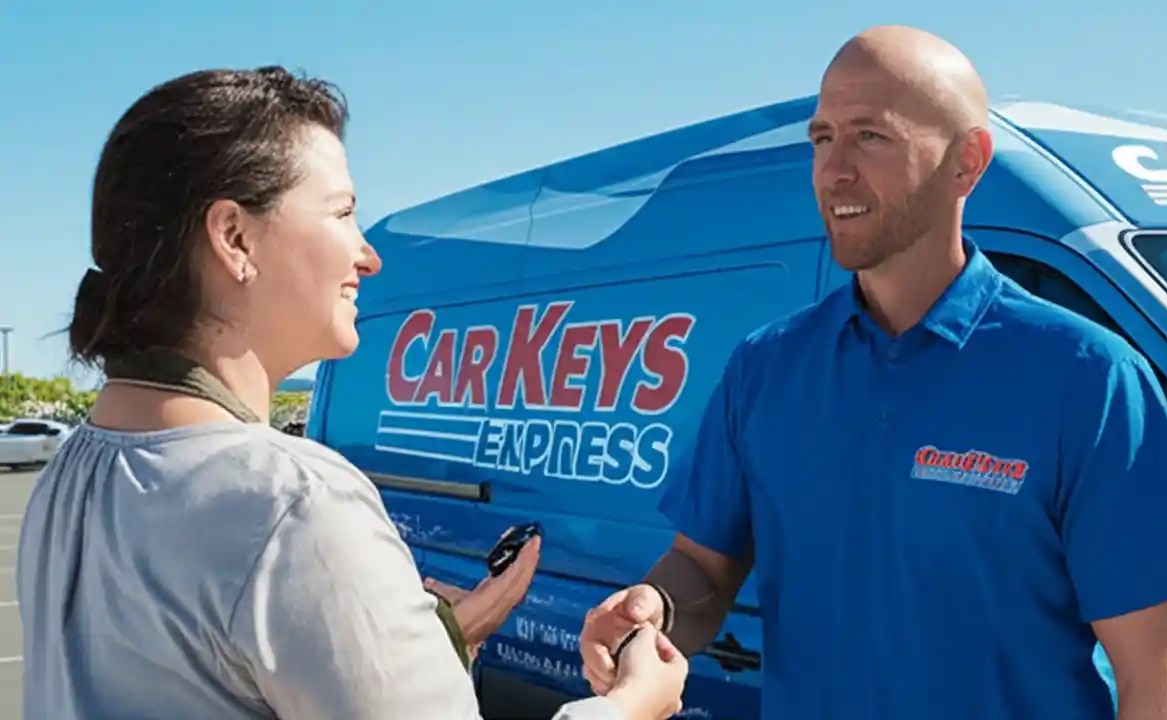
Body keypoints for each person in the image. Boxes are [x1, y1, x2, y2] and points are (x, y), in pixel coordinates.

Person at [580, 25, 1167, 720]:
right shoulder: (765, 368)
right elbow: (704, 569)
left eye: (871, 137)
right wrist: (655, 607)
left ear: (967, 163)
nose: (834, 170)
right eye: (822, 137)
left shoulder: (1088, 379)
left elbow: (1162, 667)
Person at [16, 66, 686, 720]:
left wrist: (420, 644)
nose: (368, 256)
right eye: (342, 214)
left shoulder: (69, 474)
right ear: (235, 238)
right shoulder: (294, 502)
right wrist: (628, 708)